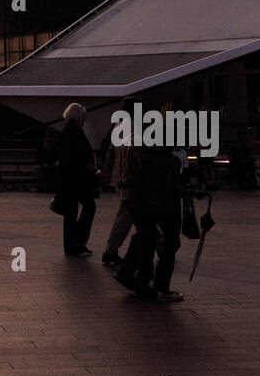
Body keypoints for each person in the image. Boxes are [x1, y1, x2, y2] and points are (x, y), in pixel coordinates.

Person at [114, 137, 185, 301]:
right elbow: (171, 187)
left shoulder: (147, 158)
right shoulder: (172, 162)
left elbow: (137, 177)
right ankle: (160, 285)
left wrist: (124, 182)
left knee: (145, 240)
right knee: (170, 244)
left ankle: (138, 280)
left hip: (146, 204)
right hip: (167, 207)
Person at [55, 103, 99, 257]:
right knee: (87, 207)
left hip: (69, 179)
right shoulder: (75, 133)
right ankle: (77, 242)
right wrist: (97, 171)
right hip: (77, 179)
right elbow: (83, 157)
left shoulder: (67, 132)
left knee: (72, 213)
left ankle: (74, 244)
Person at [101, 100, 135, 266]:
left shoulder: (118, 126)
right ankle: (110, 249)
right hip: (131, 179)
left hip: (121, 178)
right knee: (132, 215)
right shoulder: (134, 128)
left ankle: (111, 249)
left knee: (129, 214)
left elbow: (111, 154)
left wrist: (110, 175)